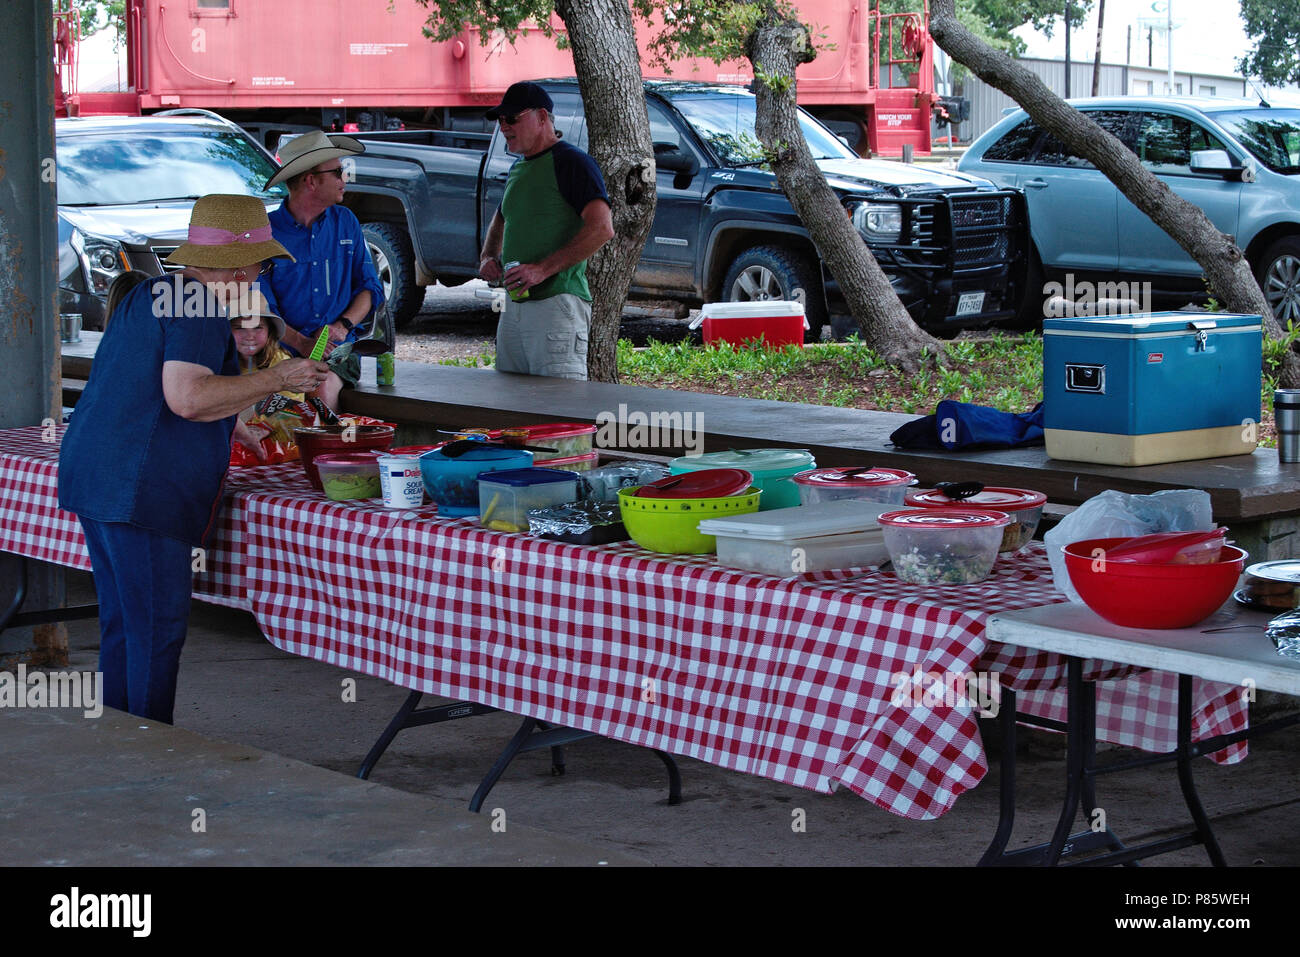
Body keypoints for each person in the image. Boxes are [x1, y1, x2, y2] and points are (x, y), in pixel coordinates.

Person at [58, 194, 330, 724]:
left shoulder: (153, 292)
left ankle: (121, 740)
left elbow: (149, 386)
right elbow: (187, 397)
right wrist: (279, 377)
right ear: (242, 263)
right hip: (143, 491)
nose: (260, 277)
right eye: (263, 265)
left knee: (124, 624)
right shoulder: (204, 307)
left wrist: (234, 417)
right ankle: (154, 750)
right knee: (157, 632)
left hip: (94, 475)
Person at [477, 81, 614, 380]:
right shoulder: (519, 168)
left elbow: (602, 228)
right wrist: (489, 256)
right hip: (514, 307)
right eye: (501, 120)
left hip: (557, 305)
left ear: (542, 117)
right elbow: (502, 217)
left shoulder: (573, 162)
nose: (504, 127)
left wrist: (541, 270)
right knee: (512, 409)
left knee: (557, 413)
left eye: (512, 118)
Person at [261, 131, 385, 409]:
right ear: (311, 181)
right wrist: (301, 342)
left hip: (337, 354)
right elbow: (261, 307)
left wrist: (342, 327)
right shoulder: (266, 231)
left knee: (321, 386)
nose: (344, 180)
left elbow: (369, 287)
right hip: (278, 351)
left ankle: (321, 450)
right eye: (338, 172)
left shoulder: (346, 221)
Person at [228, 289, 334, 446]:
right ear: (227, 331)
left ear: (269, 331)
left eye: (257, 327)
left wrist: (262, 425)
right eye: (240, 327)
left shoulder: (282, 363)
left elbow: (290, 411)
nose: (249, 335)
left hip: (276, 442)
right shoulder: (220, 362)